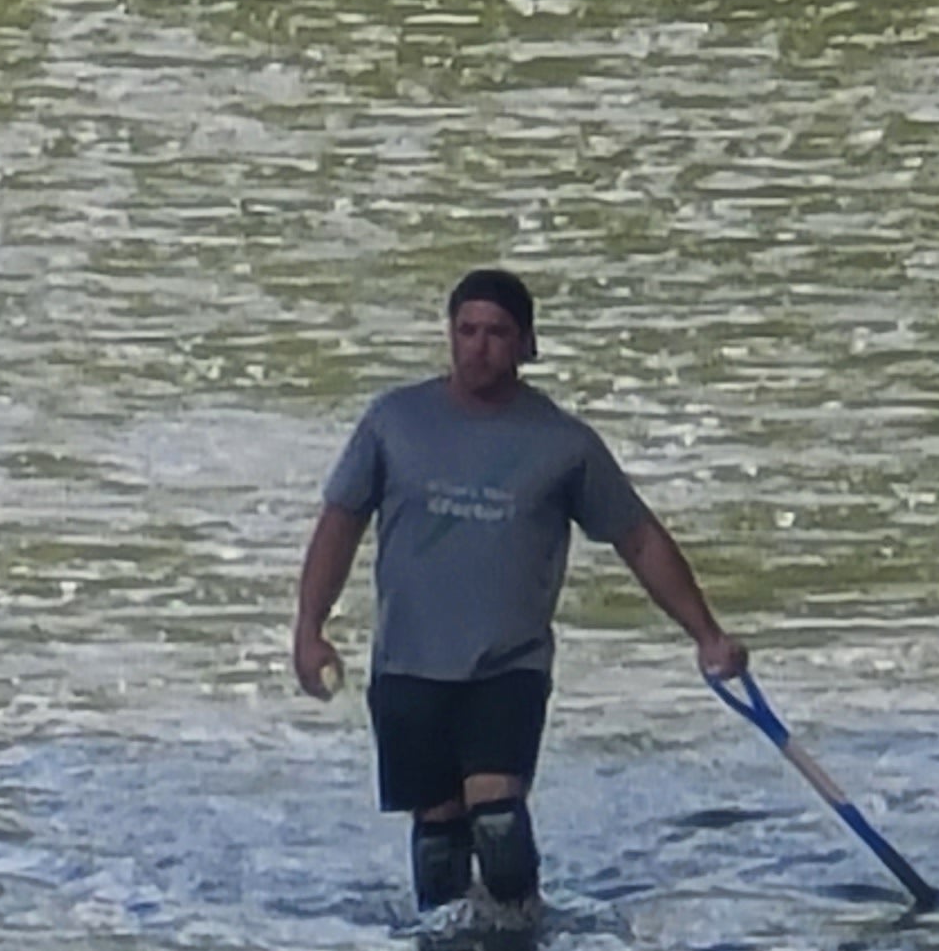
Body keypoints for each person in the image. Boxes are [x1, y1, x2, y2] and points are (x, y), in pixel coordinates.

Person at [292, 266, 751, 916]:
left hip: (507, 665)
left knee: (499, 823)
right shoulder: (394, 422)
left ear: (527, 344)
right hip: (409, 664)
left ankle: (521, 936)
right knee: (439, 844)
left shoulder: (562, 444)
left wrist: (707, 635)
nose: (479, 346)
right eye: (467, 330)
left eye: (498, 333)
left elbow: (639, 538)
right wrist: (309, 628)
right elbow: (339, 523)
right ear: (449, 335)